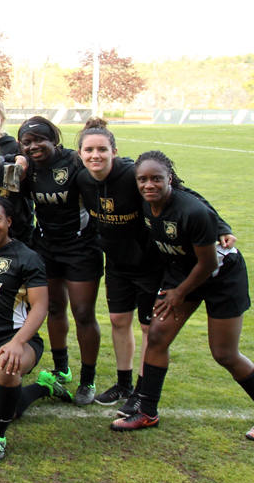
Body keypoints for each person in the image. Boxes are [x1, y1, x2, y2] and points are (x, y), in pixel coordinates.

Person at [76, 119, 235, 410]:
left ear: (114, 151)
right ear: (80, 154)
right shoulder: (83, 178)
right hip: (116, 261)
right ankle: (123, 384)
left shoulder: (131, 174)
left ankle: (141, 389)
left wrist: (222, 226)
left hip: (149, 261)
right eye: (88, 150)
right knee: (118, 321)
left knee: (149, 328)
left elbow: (189, 194)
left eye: (101, 149)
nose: (95, 155)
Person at [111, 152, 254, 438]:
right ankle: (147, 412)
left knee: (224, 353)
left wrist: (178, 293)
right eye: (143, 179)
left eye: (156, 179)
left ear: (170, 180)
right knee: (158, 335)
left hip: (221, 276)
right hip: (181, 270)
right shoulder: (142, 198)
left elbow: (210, 263)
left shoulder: (191, 211)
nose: (149, 185)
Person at [19, 116, 102, 405]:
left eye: (39, 140)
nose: (34, 147)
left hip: (81, 246)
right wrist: (15, 160)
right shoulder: (24, 168)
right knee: (53, 307)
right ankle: (62, 368)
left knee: (82, 312)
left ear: (54, 139)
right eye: (27, 143)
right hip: (46, 246)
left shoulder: (75, 162)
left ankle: (88, 380)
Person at [0, 197, 50, 465]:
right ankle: (44, 387)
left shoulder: (27, 258)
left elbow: (40, 307)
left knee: (7, 366)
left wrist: (18, 342)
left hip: (20, 340)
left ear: (9, 222)